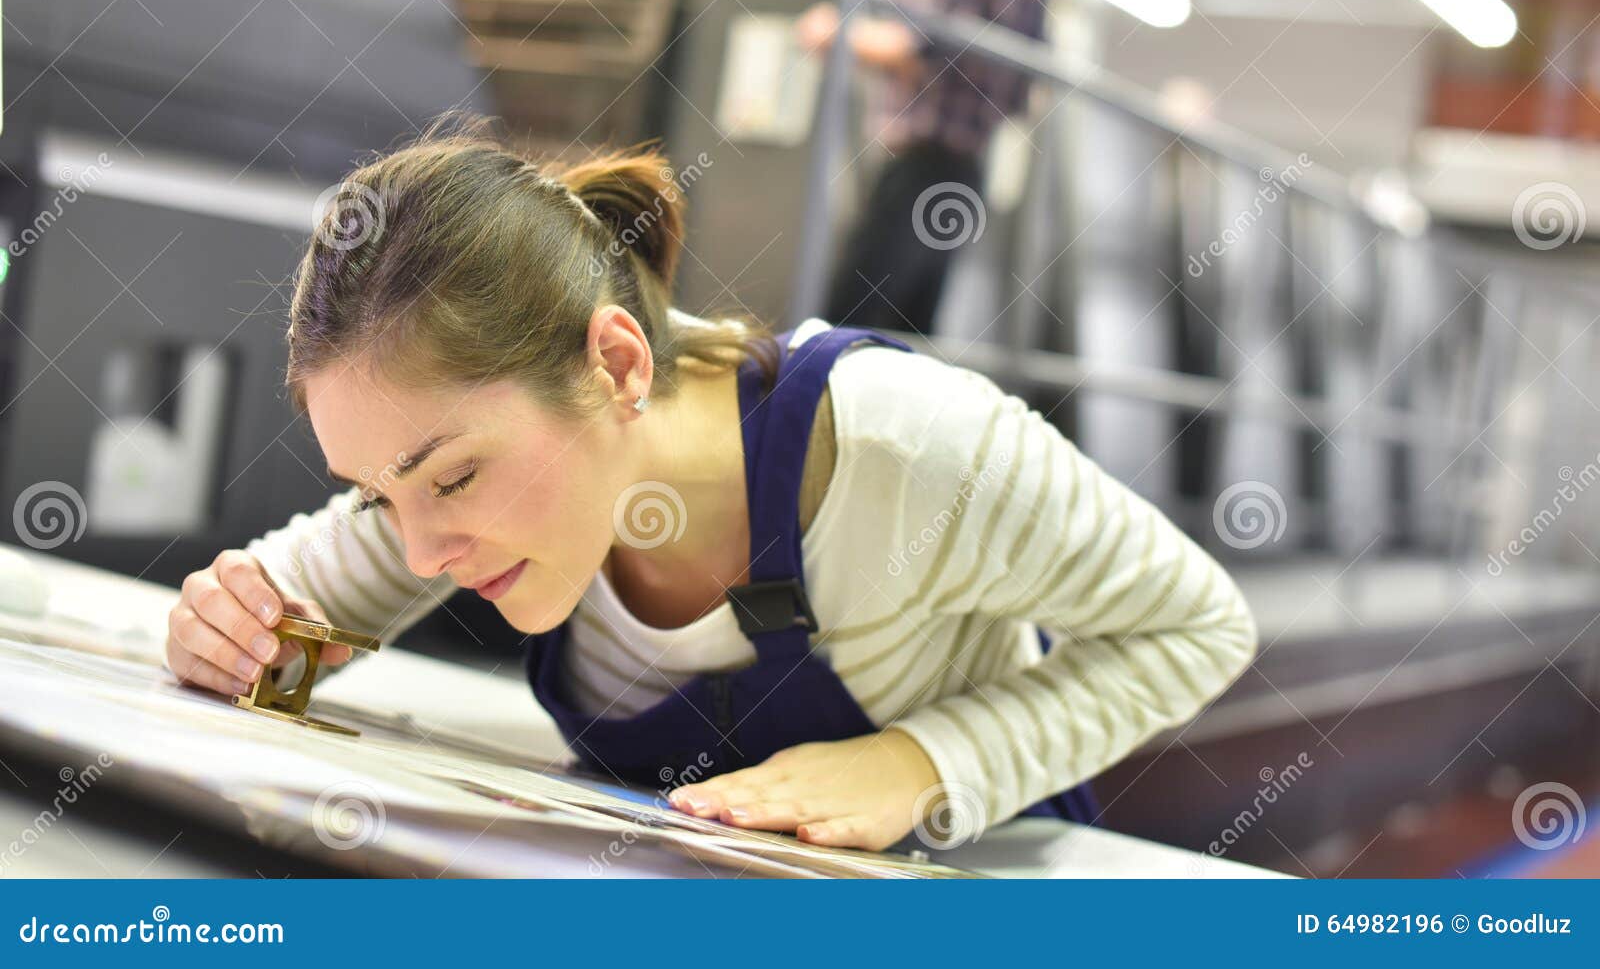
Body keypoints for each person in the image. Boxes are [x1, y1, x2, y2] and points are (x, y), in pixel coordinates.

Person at [163, 118, 1256, 853]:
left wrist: (921, 762)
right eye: (373, 496)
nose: (415, 555)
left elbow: (1199, 627)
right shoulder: (457, 499)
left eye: (453, 477)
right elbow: (272, 637)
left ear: (620, 366)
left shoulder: (908, 447)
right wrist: (230, 639)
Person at [797, 0, 1046, 335]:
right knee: (905, 334)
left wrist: (837, 33)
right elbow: (1023, 88)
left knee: (842, 326)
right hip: (969, 171)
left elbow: (924, 43)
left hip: (919, 165)